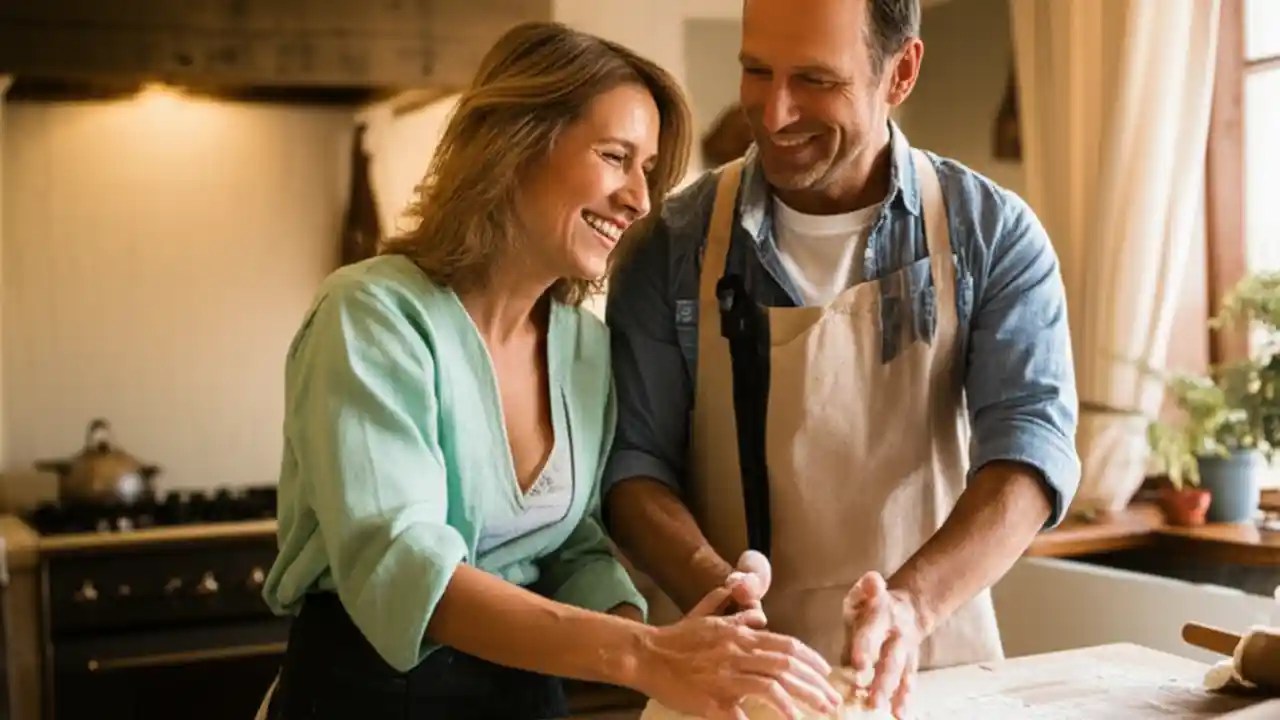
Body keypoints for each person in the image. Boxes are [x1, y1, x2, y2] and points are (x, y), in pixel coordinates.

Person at [258, 20, 842, 720]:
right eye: (615, 156)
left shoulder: (582, 348)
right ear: (516, 145)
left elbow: (571, 549)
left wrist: (678, 639)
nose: (640, 199)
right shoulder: (374, 314)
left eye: (647, 170)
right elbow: (405, 565)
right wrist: (643, 655)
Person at [604, 0, 1081, 718]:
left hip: (926, 674)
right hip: (725, 681)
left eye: (817, 81)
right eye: (757, 71)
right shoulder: (669, 246)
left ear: (902, 73)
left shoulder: (992, 237)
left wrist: (911, 606)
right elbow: (635, 465)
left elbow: (1028, 456)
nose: (774, 111)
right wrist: (723, 595)